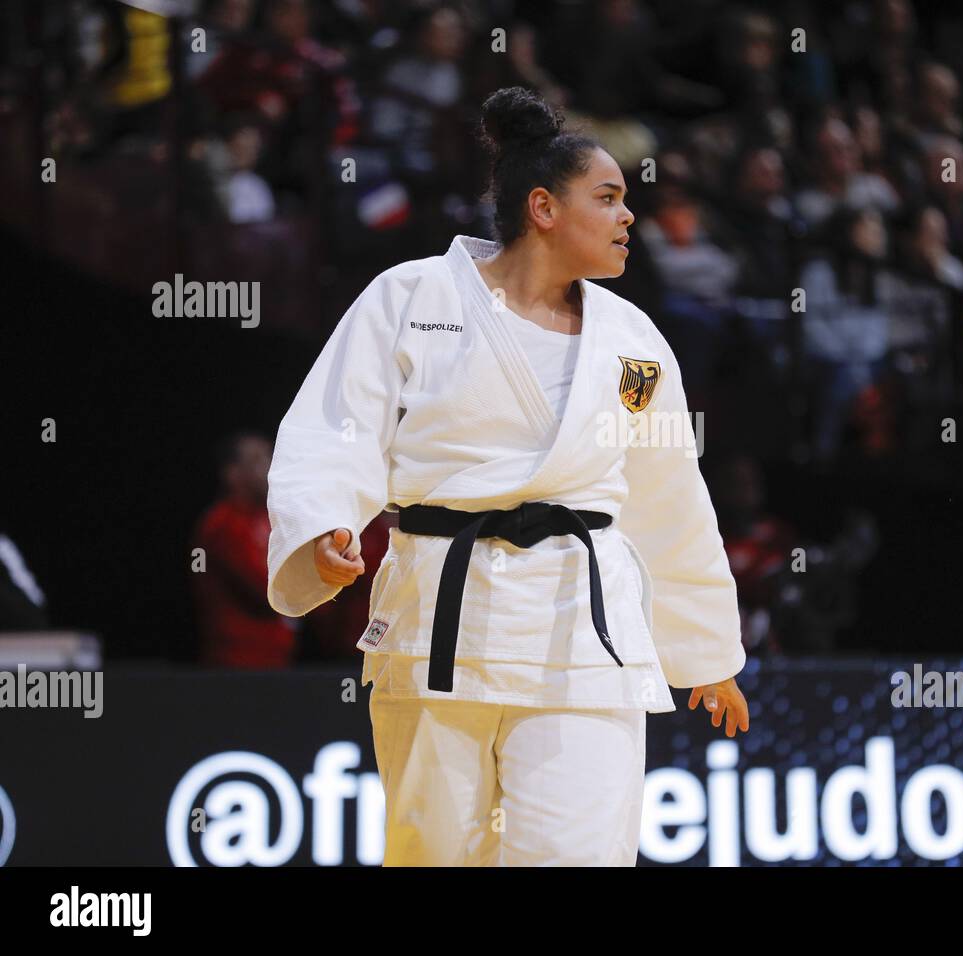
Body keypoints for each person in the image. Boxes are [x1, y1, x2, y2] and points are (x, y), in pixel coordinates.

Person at [265, 87, 749, 867]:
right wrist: (327, 525)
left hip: (585, 632)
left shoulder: (633, 340)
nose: (631, 218)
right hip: (439, 616)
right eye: (609, 198)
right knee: (434, 854)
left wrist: (707, 652)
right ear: (544, 208)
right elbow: (334, 428)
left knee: (580, 853)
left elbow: (670, 500)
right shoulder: (413, 297)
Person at [192, 431, 297, 667]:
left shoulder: (269, 518)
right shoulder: (223, 523)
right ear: (233, 474)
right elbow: (266, 588)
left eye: (270, 457)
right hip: (238, 664)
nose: (270, 467)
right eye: (258, 460)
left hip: (277, 659)